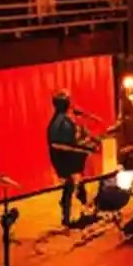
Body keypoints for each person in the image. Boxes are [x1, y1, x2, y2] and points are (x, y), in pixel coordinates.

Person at [47, 91, 93, 227]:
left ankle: (77, 211)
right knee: (73, 184)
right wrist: (83, 147)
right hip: (66, 159)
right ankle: (71, 214)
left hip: (65, 158)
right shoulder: (61, 122)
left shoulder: (60, 120)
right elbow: (62, 143)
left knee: (74, 184)